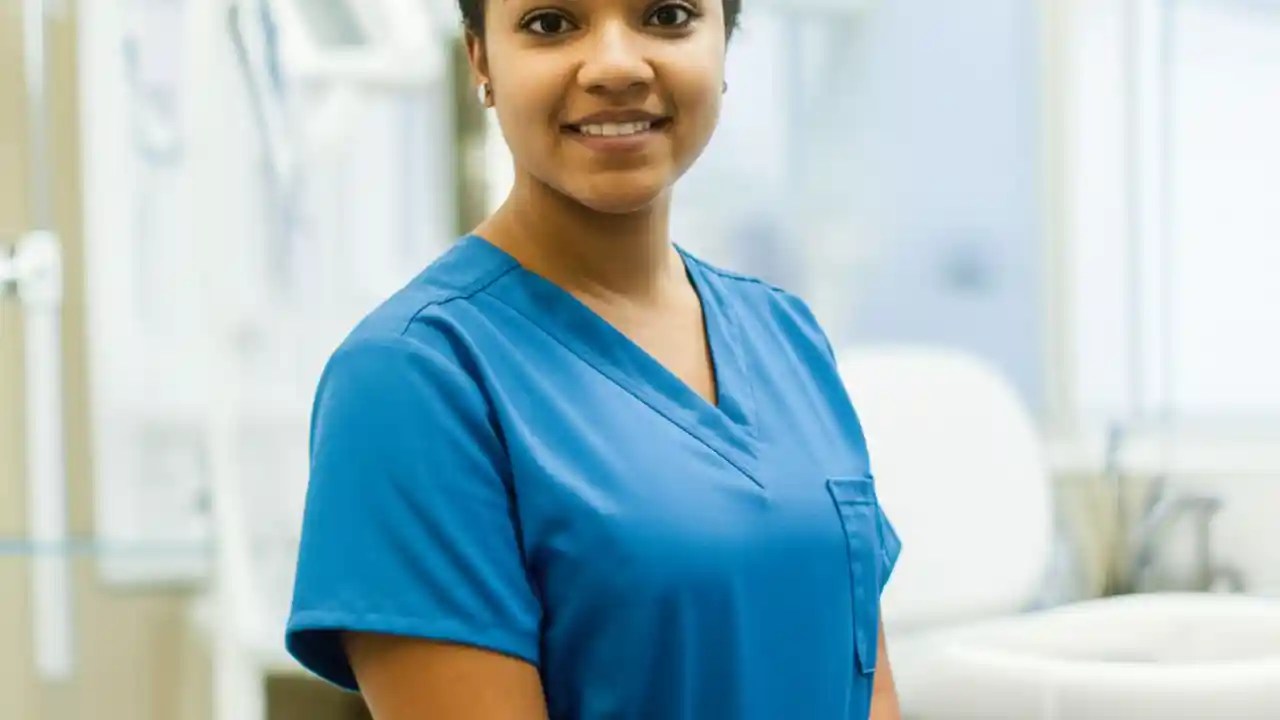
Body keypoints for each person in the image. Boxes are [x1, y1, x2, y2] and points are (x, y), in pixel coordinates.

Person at [284, 0, 902, 717]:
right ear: (482, 61)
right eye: (551, 23)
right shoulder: (414, 379)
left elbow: (869, 689)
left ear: (724, 43)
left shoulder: (785, 335)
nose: (615, 65)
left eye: (667, 16)